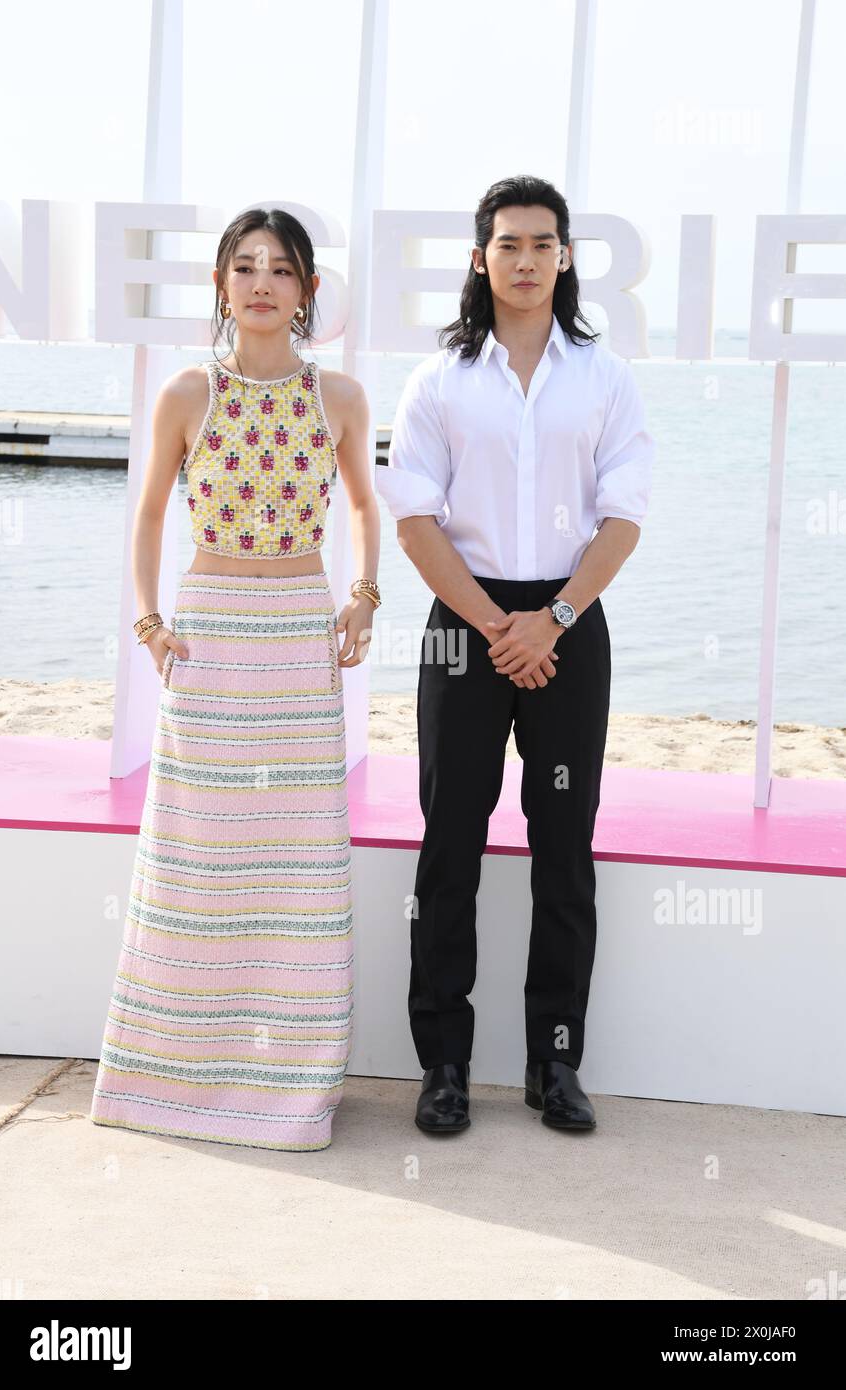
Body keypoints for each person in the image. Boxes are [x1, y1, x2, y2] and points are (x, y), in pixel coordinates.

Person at [90, 208, 380, 1151]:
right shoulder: (186, 392)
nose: (262, 283)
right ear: (221, 283)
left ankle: (289, 1096)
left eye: (282, 269)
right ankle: (164, 1084)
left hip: (298, 635)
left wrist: (364, 596)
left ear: (307, 292)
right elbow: (144, 519)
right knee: (197, 859)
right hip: (210, 635)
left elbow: (370, 505)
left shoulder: (337, 396)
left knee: (295, 868)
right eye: (245, 266)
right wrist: (149, 623)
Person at [376, 174, 654, 1136]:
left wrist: (555, 620)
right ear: (481, 256)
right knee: (449, 843)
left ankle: (555, 1065)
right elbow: (413, 522)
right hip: (466, 623)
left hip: (570, 623)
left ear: (566, 257)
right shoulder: (439, 380)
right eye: (508, 243)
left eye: (543, 243)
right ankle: (444, 1065)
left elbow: (623, 517)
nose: (526, 259)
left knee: (562, 848)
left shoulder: (604, 377)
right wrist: (500, 625)